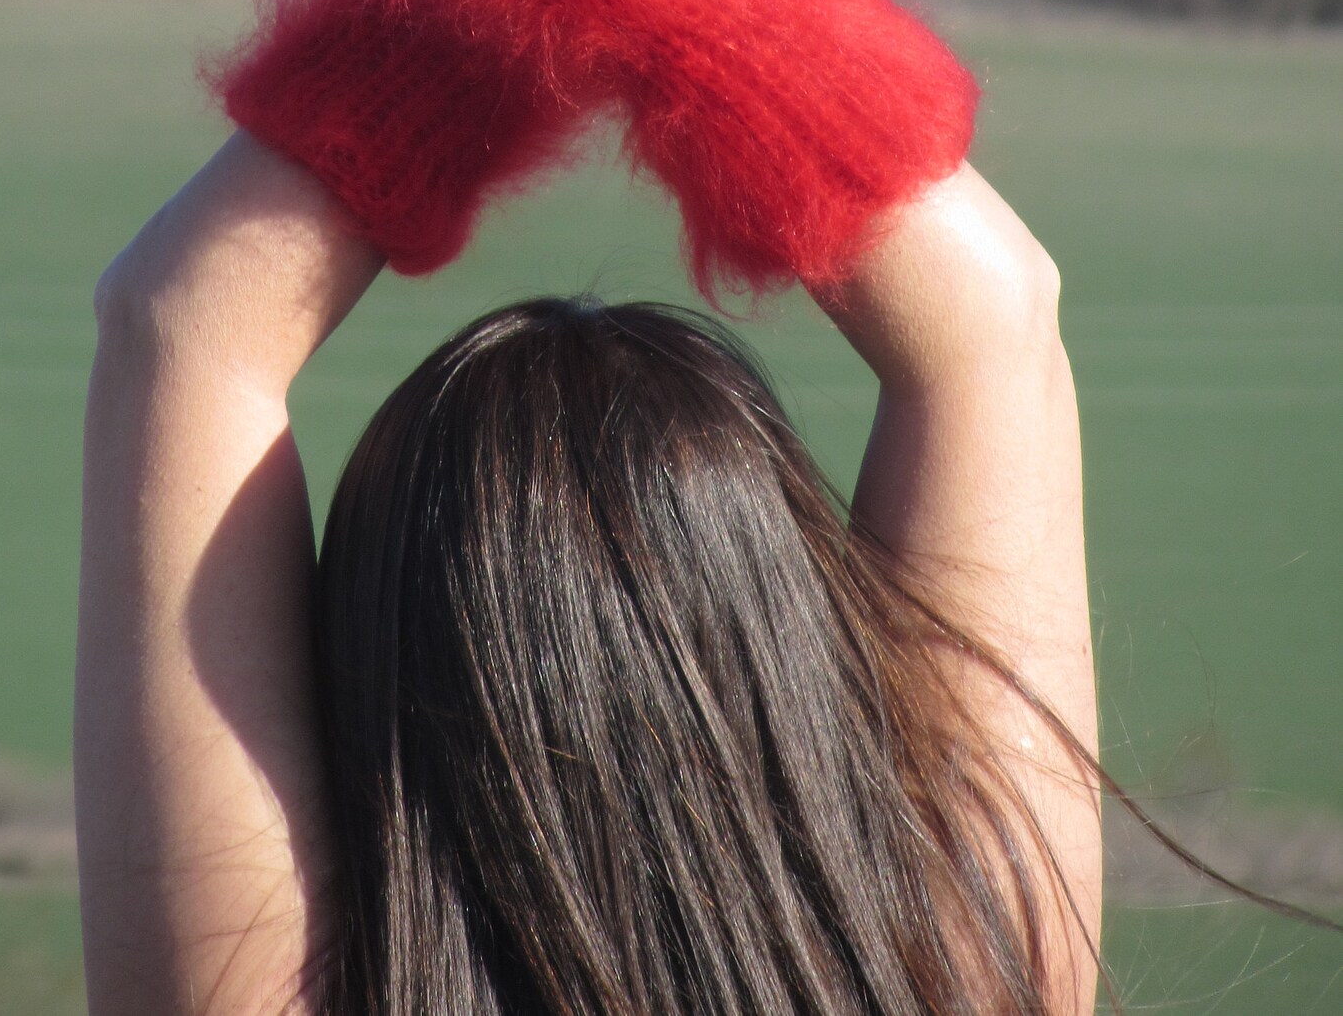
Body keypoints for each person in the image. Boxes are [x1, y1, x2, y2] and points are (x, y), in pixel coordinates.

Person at [75, 130, 1101, 1016]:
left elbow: (182, 322)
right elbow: (992, 319)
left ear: (361, 658)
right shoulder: (970, 976)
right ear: (797, 631)